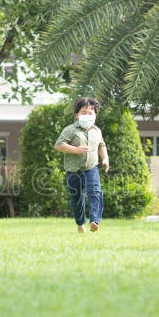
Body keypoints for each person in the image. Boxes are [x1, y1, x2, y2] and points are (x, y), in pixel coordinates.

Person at [55, 97, 110, 233]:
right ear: (77, 114)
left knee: (95, 193)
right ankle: (80, 223)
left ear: (95, 115)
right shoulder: (70, 130)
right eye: (83, 112)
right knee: (76, 198)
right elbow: (59, 145)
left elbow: (101, 145)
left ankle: (94, 221)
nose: (87, 115)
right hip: (73, 170)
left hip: (91, 168)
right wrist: (76, 150)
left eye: (90, 113)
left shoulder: (97, 131)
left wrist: (105, 159)